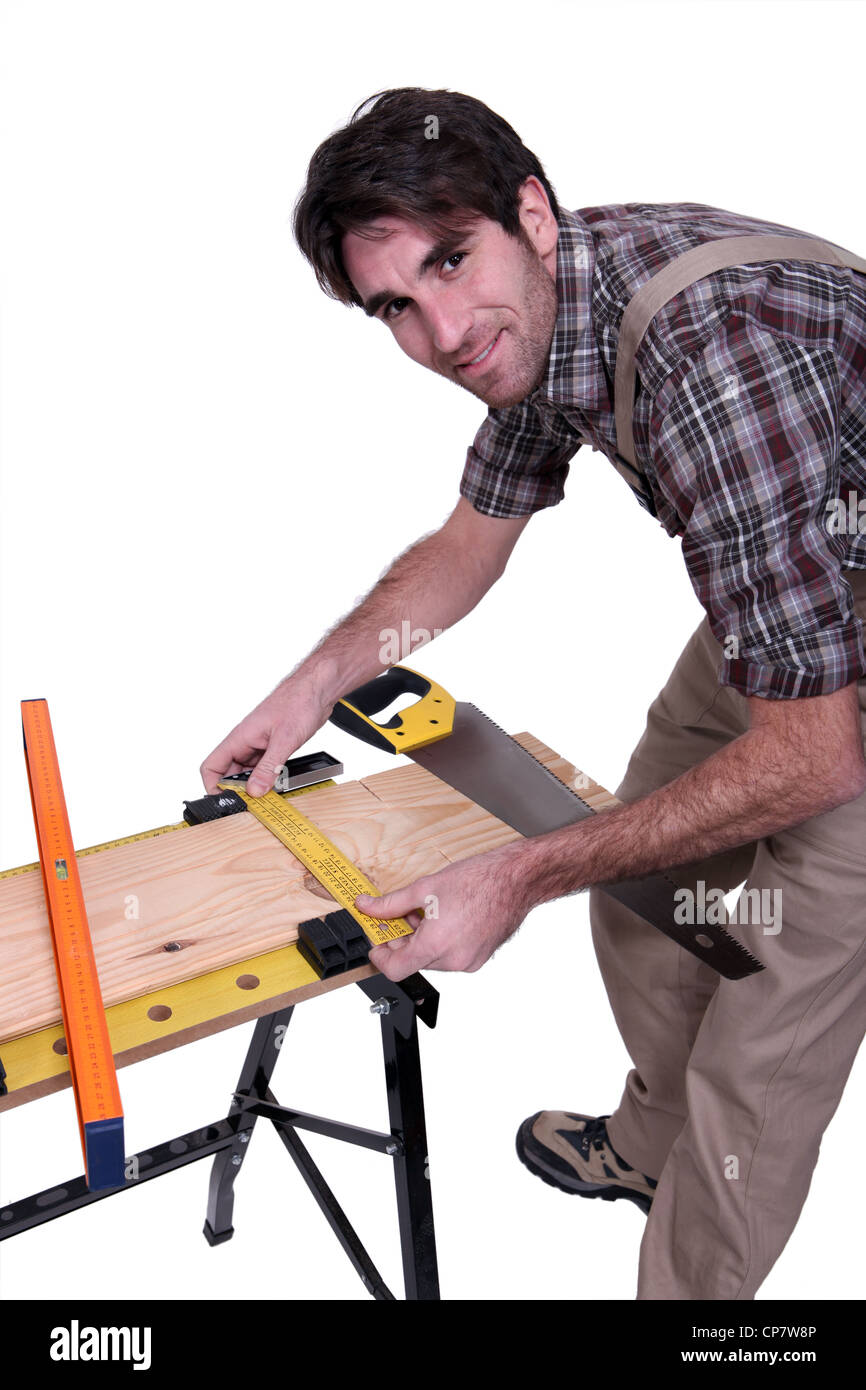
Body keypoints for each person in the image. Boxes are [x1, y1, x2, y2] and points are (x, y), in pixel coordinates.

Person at [200, 88, 866, 1300]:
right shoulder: (547, 311)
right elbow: (468, 543)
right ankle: (649, 1147)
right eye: (396, 303)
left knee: (764, 1033)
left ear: (530, 214)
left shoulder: (710, 354)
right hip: (793, 597)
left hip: (831, 684)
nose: (443, 328)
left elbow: (815, 759)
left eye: (450, 262)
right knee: (641, 881)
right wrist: (313, 685)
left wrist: (512, 873)